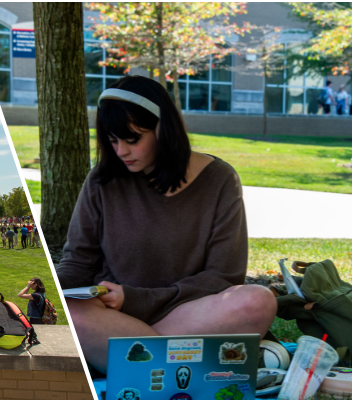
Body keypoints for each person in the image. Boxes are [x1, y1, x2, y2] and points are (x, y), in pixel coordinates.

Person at [56, 75, 273, 372]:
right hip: (111, 316)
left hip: (186, 315)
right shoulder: (101, 180)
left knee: (256, 300)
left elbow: (224, 277)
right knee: (73, 311)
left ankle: (138, 364)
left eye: (132, 139)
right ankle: (178, 368)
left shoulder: (220, 179)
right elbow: (79, 262)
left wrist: (138, 300)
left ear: (164, 129)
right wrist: (47, 286)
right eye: (113, 140)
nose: (121, 152)